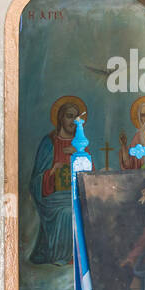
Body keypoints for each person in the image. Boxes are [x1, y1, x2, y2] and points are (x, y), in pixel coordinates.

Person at [28, 96, 85, 265]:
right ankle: (63, 255)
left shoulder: (81, 143)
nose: (72, 121)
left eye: (76, 118)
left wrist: (79, 155)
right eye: (69, 116)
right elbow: (35, 181)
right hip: (54, 197)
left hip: (77, 192)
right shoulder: (49, 143)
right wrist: (52, 172)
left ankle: (85, 254)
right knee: (68, 212)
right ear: (60, 118)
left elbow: (91, 174)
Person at [119, 98, 145, 169]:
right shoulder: (138, 136)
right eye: (143, 115)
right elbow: (129, 165)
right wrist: (124, 146)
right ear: (140, 118)